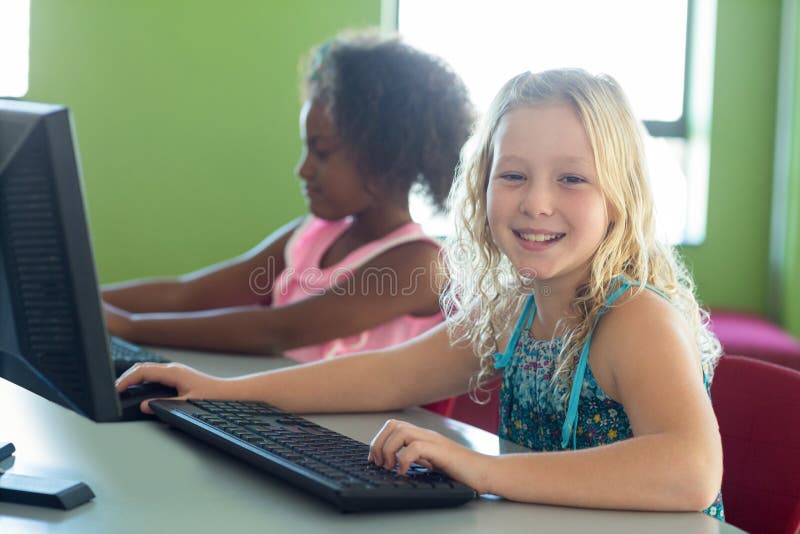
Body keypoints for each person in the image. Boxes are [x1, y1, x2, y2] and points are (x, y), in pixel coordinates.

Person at [116, 68, 725, 518]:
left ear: (621, 195)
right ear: (482, 187)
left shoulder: (633, 317)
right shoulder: (514, 311)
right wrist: (222, 392)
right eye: (511, 175)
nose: (537, 202)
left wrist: (486, 470)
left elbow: (690, 472)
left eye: (572, 179)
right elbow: (383, 376)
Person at [102, 32, 475, 367]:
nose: (303, 170)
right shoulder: (312, 235)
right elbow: (189, 294)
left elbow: (279, 331)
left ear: (382, 159)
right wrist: (82, 299)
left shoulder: (418, 264)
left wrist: (130, 327)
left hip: (352, 439)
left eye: (322, 153)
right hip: (284, 424)